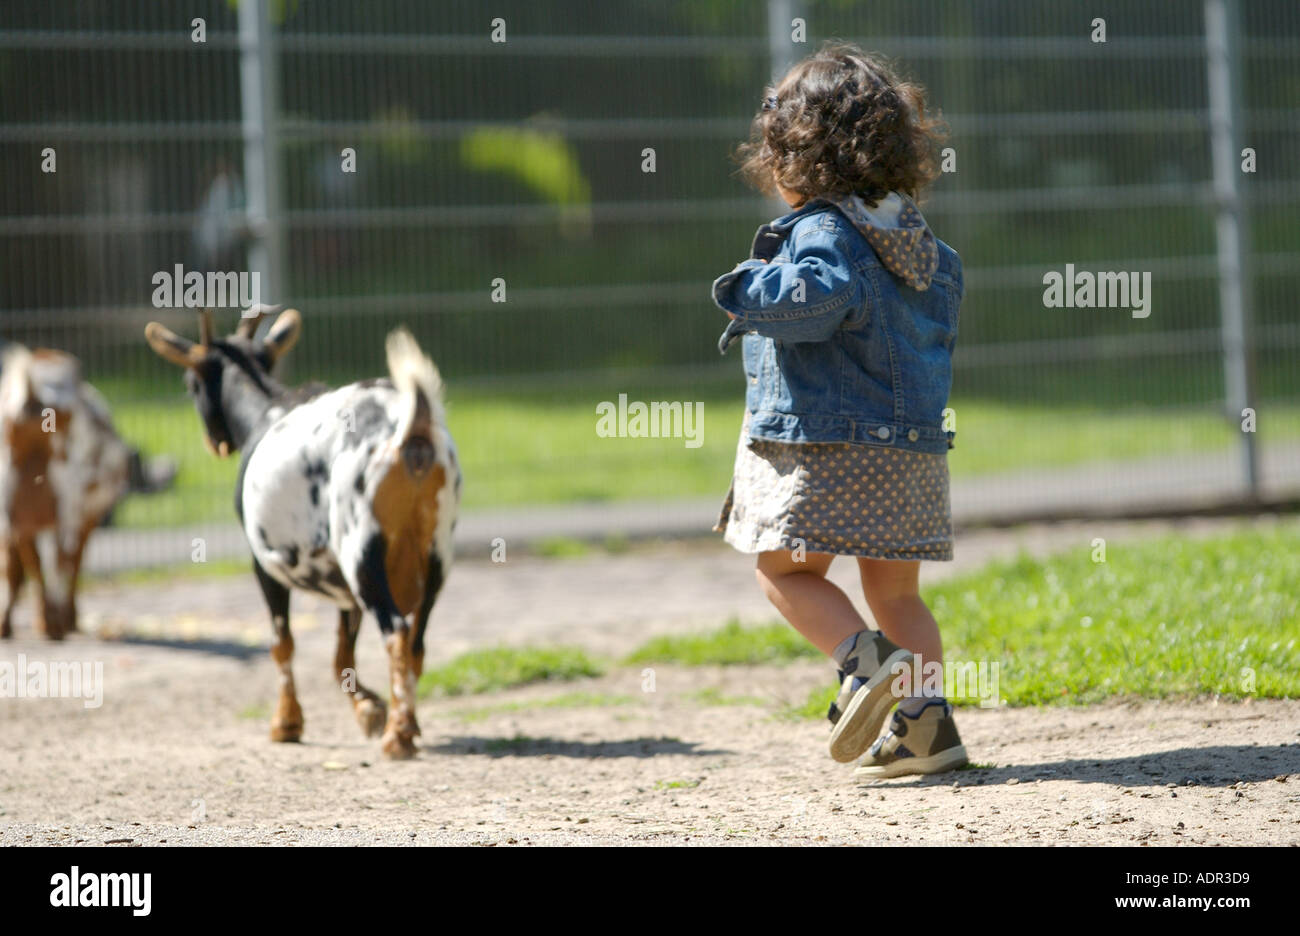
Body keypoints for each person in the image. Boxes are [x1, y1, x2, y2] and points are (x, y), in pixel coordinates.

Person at [712, 42, 966, 777]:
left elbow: (818, 300)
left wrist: (748, 289)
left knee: (784, 572)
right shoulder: (920, 240)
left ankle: (865, 666)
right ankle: (925, 728)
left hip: (832, 445)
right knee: (898, 595)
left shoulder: (822, 231)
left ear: (794, 160)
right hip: (913, 447)